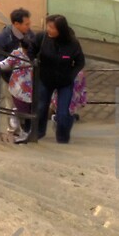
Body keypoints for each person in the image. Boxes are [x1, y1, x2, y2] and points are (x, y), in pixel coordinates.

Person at [31, 14, 86, 144]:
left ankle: (62, 138)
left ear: (60, 29)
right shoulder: (41, 37)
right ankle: (39, 132)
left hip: (64, 82)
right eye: (48, 26)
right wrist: (34, 62)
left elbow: (80, 62)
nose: (48, 29)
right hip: (45, 79)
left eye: (52, 27)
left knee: (63, 113)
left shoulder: (72, 43)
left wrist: (71, 75)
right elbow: (31, 50)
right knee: (41, 107)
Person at [0, 8, 35, 138]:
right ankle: (12, 130)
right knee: (10, 103)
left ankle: (26, 127)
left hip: (27, 80)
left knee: (27, 104)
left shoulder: (29, 35)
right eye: (26, 24)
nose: (29, 26)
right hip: (10, 79)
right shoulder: (3, 39)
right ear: (16, 24)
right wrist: (15, 71)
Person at [0, 39, 33, 143]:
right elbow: (5, 63)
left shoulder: (34, 54)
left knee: (29, 111)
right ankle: (24, 130)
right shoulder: (16, 53)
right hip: (18, 89)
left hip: (31, 89)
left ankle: (25, 130)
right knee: (24, 112)